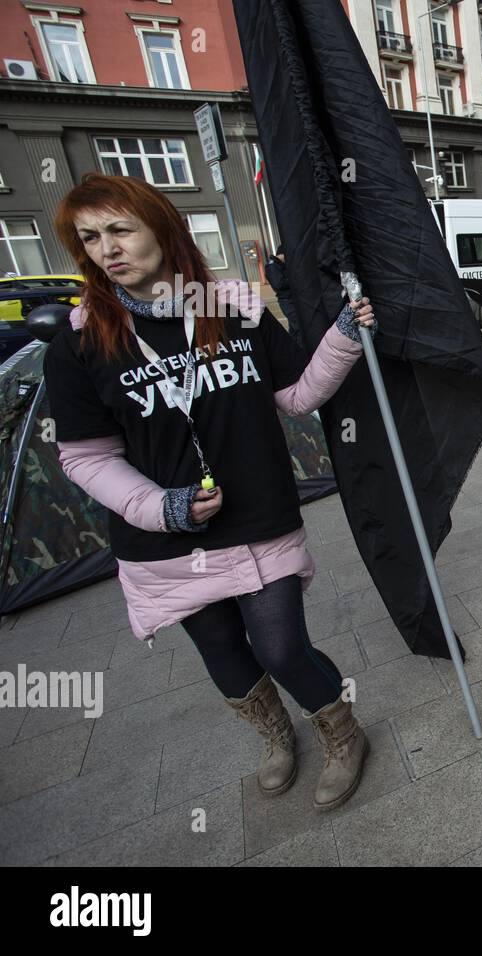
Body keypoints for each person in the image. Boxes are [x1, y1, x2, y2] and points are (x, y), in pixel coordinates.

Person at [43, 173, 376, 811]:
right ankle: (277, 738)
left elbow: (297, 395)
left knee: (280, 646)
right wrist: (160, 507)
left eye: (120, 229)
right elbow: (85, 457)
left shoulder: (233, 307)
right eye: (90, 237)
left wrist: (343, 337)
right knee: (221, 650)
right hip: (162, 541)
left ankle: (342, 735)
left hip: (258, 516)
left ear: (161, 229)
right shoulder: (81, 343)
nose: (106, 248)